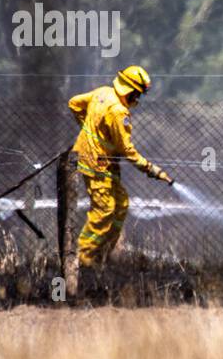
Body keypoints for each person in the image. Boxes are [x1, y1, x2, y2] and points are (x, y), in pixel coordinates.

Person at [67, 65, 173, 267]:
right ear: (131, 91)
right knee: (104, 209)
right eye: (138, 94)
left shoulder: (102, 93)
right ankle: (83, 258)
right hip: (96, 163)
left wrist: (88, 130)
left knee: (121, 204)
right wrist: (152, 170)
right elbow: (127, 151)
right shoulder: (118, 112)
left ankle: (104, 252)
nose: (138, 99)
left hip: (104, 162)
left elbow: (74, 104)